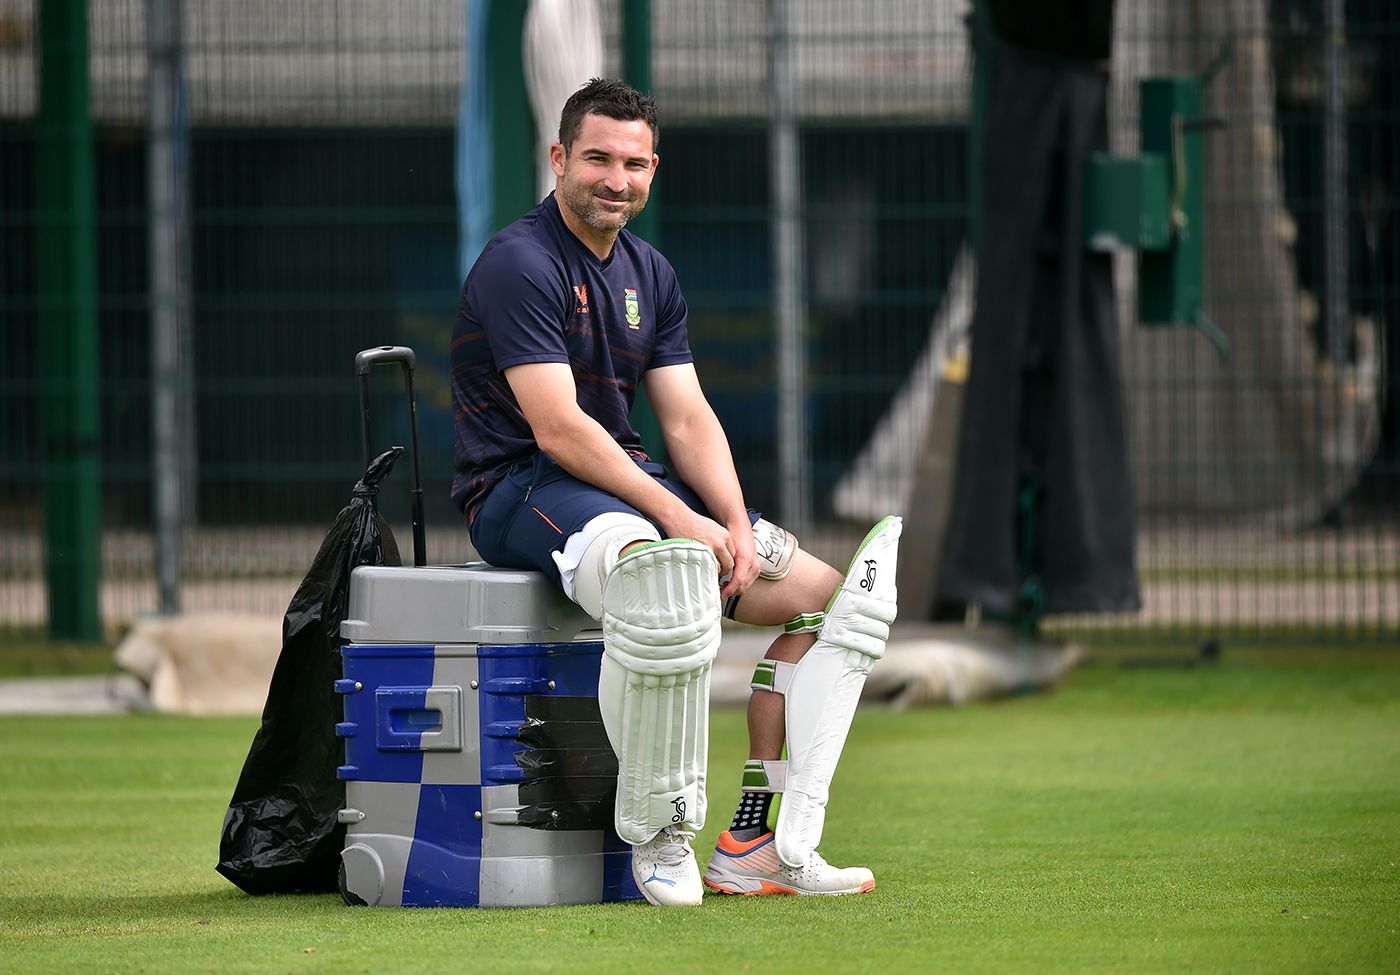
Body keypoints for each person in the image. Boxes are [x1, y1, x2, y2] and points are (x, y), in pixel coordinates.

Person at [451, 77, 902, 907]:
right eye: (596, 158)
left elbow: (687, 417)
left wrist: (731, 521)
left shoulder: (649, 272)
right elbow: (557, 429)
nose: (614, 179)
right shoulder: (520, 262)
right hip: (521, 487)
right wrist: (681, 519)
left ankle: (758, 841)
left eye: (632, 162)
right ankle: (662, 830)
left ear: (653, 168)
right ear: (559, 158)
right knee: (671, 585)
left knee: (834, 606)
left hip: (625, 486)